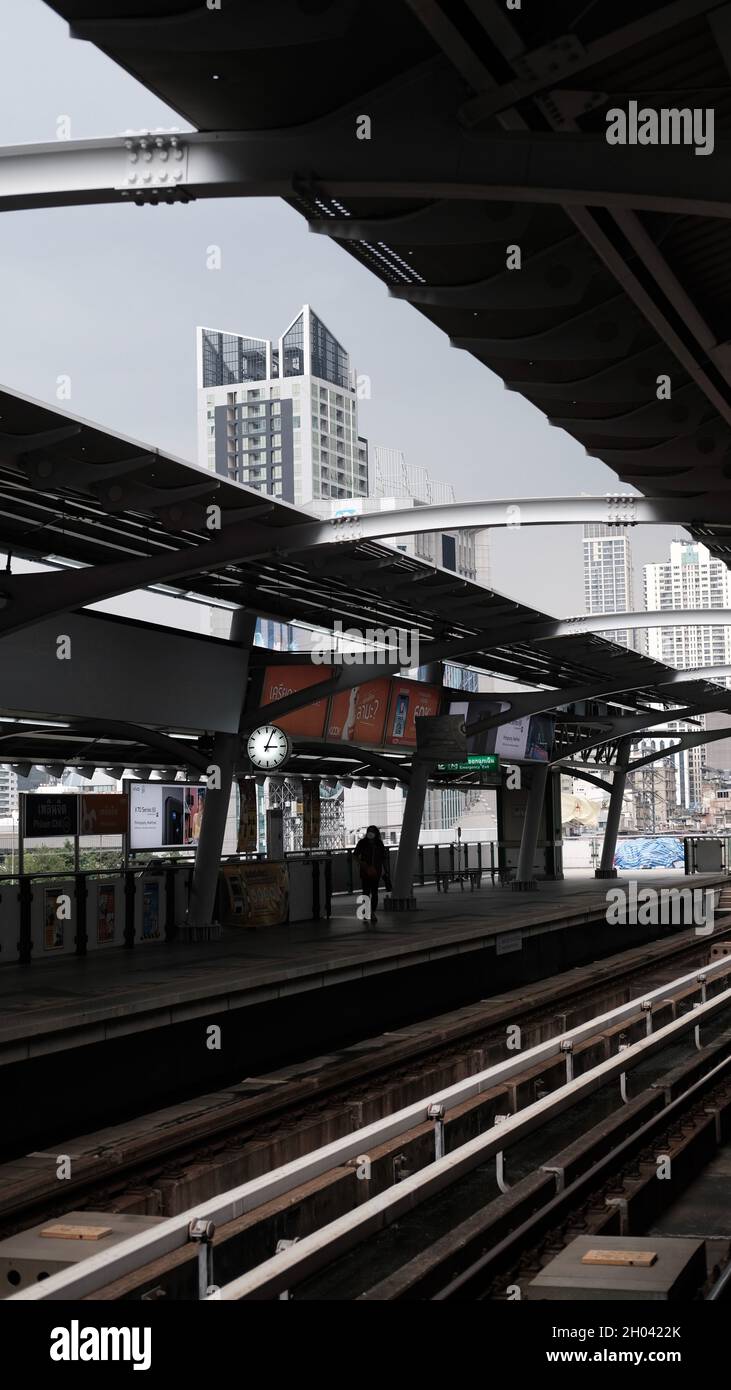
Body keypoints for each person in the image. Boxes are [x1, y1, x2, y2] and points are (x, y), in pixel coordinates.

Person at [353, 825, 388, 924]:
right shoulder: (362, 843)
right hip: (365, 871)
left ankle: (371, 911)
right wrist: (361, 863)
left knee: (374, 892)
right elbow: (355, 855)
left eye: (372, 831)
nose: (370, 833)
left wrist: (386, 871)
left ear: (376, 833)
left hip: (376, 871)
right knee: (366, 892)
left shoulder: (379, 843)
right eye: (369, 831)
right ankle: (368, 911)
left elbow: (383, 858)